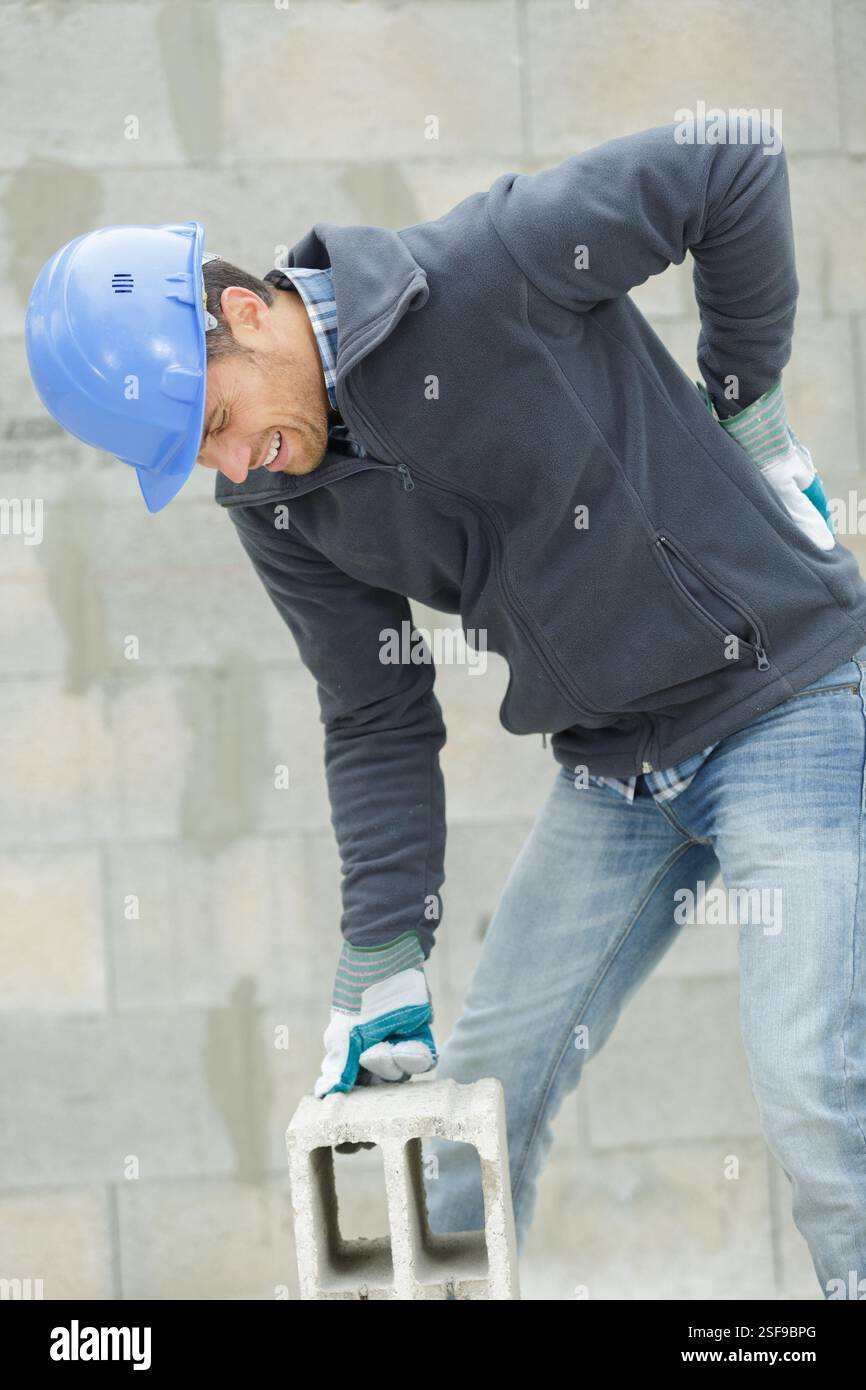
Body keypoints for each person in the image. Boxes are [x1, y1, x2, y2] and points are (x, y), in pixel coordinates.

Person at [26, 117, 866, 1298]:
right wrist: (382, 951)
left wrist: (745, 403)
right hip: (615, 770)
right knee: (464, 1136)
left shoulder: (487, 267)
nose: (231, 467)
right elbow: (371, 712)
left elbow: (732, 164)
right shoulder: (276, 499)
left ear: (245, 315)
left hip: (781, 697)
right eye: (197, 459)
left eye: (211, 422)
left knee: (816, 1097)